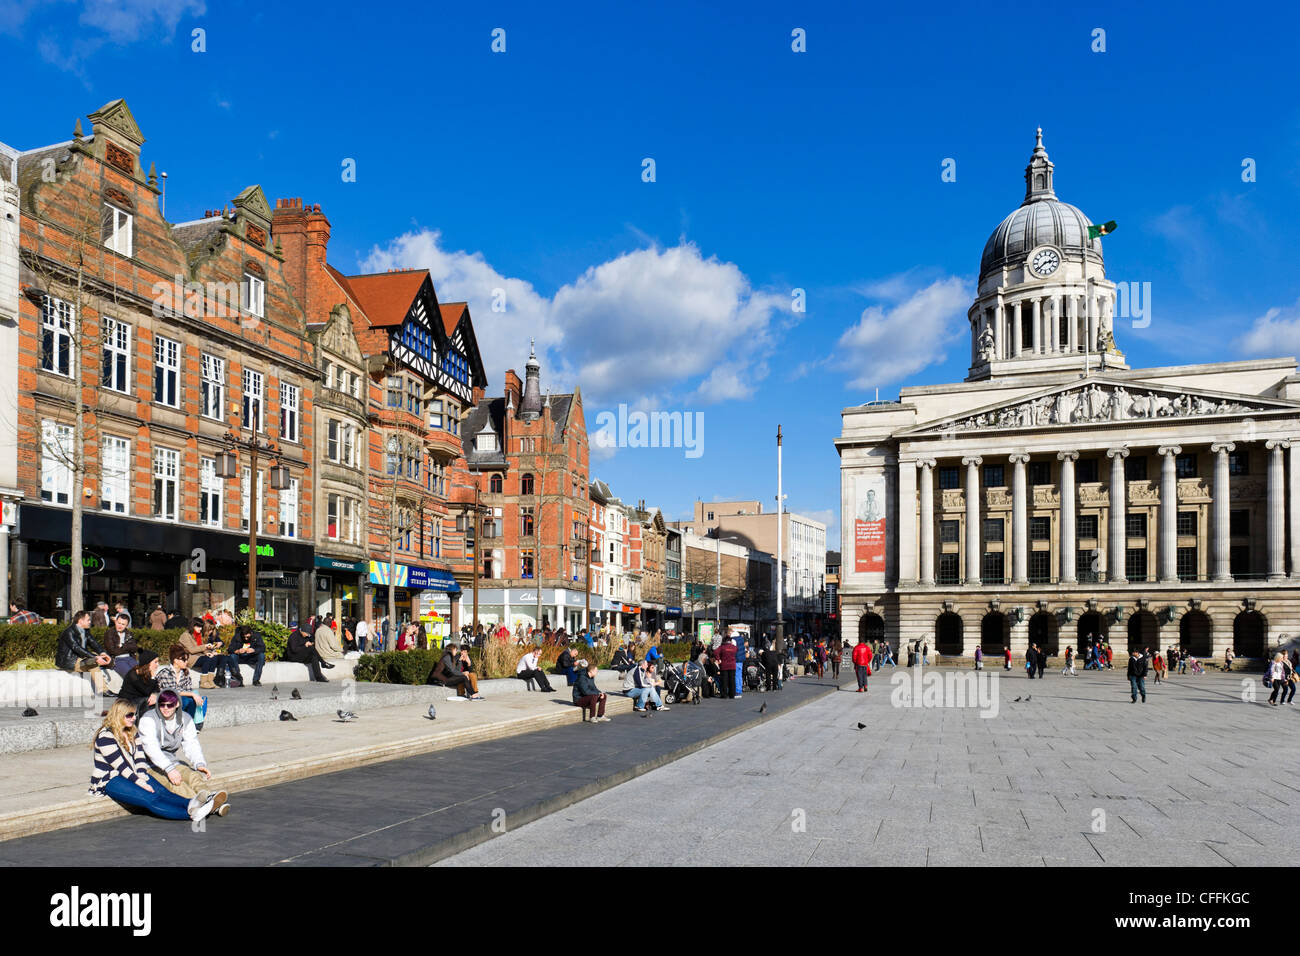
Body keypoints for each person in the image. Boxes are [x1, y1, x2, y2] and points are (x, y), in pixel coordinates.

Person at [90, 699, 216, 823]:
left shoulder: (132, 731)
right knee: (150, 798)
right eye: (129, 715)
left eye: (134, 714)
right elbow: (122, 767)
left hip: (133, 773)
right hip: (110, 779)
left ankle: (193, 803)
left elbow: (139, 758)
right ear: (118, 715)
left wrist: (142, 775)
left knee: (163, 792)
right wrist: (141, 783)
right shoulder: (105, 736)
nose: (133, 718)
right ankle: (191, 815)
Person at [137, 691, 228, 817]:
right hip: (149, 765)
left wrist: (199, 763)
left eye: (170, 705)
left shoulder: (185, 718)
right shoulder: (148, 719)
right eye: (162, 705)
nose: (165, 708)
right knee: (176, 784)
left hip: (171, 761)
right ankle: (203, 806)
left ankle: (210, 802)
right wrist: (169, 769)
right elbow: (150, 747)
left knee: (193, 776)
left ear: (177, 704)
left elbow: (191, 743)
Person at [55, 609, 112, 696]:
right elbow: (76, 648)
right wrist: (95, 658)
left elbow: (93, 643)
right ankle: (103, 691)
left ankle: (104, 690)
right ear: (80, 621)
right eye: (88, 620)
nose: (90, 622)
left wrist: (102, 653)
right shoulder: (69, 632)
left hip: (80, 659)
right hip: (71, 661)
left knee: (95, 659)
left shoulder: (85, 631)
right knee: (93, 662)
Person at [156, 644, 206, 725]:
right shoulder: (165, 673)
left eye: (187, 659)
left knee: (192, 700)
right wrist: (192, 694)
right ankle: (176, 723)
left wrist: (193, 695)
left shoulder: (185, 673)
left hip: (179, 699)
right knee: (185, 700)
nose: (186, 662)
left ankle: (189, 723)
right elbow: (172, 691)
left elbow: (188, 689)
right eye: (184, 660)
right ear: (175, 660)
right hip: (165, 700)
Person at [103, 612, 140, 678]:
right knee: (131, 676)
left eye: (123, 624)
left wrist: (123, 646)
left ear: (127, 625)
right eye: (118, 623)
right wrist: (128, 647)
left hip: (130, 658)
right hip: (116, 660)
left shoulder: (129, 633)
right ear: (115, 621)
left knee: (141, 672)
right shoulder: (109, 633)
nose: (120, 626)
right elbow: (113, 651)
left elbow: (135, 647)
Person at [715, 635, 738, 699]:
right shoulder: (734, 647)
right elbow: (737, 650)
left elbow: (715, 651)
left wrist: (718, 659)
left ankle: (724, 695)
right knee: (732, 681)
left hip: (724, 666)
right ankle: (732, 694)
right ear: (730, 641)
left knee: (724, 681)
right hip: (732, 665)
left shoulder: (722, 647)